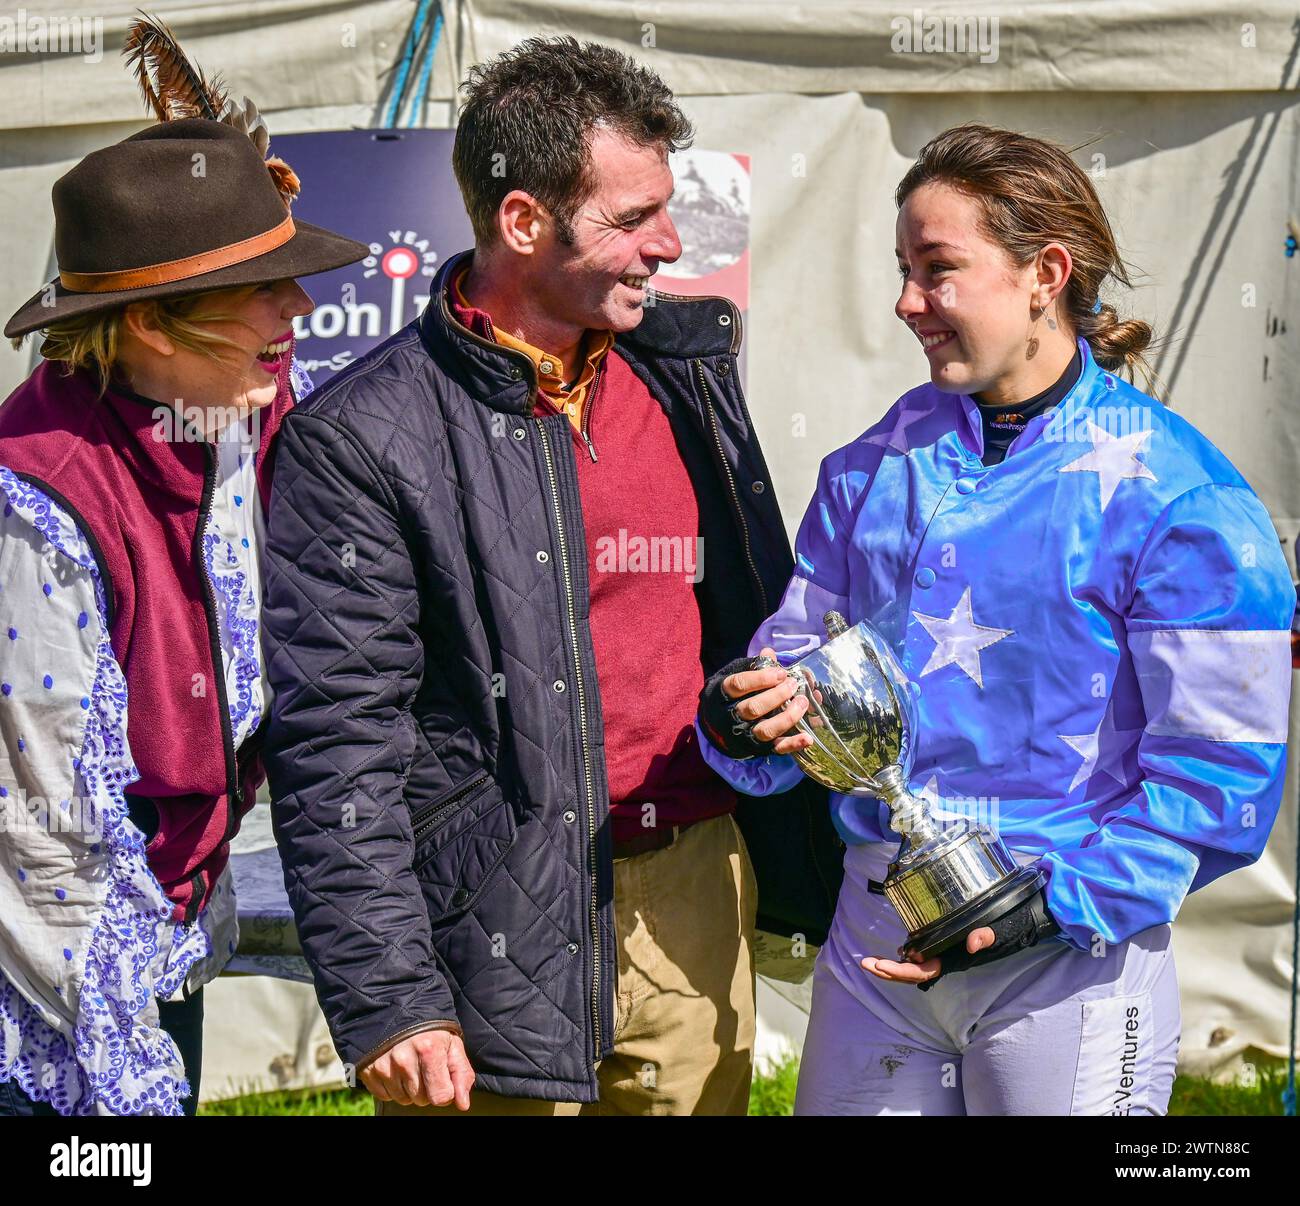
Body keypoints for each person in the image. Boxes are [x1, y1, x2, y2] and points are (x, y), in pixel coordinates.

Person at [261, 35, 839, 1116]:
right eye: (632, 219)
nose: (670, 245)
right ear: (521, 222)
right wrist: (389, 995)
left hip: (694, 887)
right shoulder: (359, 438)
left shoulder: (685, 370)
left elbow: (741, 615)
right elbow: (336, 738)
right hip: (488, 913)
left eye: (669, 208)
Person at [697, 123, 1293, 1116]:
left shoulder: (1181, 496)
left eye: (936, 270)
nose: (904, 301)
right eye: (901, 269)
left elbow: (1222, 769)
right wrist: (744, 714)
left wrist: (1056, 908)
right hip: (877, 935)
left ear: (1042, 274)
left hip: (1070, 956)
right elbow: (800, 662)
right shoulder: (869, 466)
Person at [0, 104, 367, 1114]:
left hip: (159, 937)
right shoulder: (36, 506)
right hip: (45, 979)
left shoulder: (232, 411)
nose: (297, 306)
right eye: (259, 289)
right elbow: (44, 840)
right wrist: (125, 1081)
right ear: (152, 323)